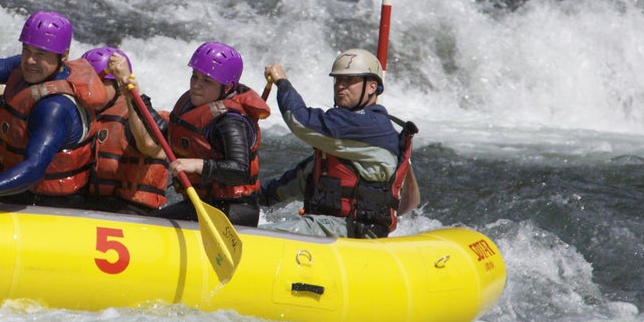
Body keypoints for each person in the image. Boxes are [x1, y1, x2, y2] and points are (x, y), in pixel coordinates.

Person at [0, 10, 107, 209]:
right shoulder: (24, 69)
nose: (30, 60)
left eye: (40, 54)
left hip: (48, 201)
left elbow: (33, 169)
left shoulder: (55, 107)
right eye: (27, 50)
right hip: (20, 186)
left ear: (63, 56)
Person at [259, 48, 417, 239]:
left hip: (357, 231)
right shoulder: (347, 138)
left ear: (372, 87)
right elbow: (302, 178)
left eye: (350, 81)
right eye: (338, 80)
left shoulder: (368, 125)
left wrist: (282, 83)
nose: (341, 86)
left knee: (266, 235)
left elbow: (300, 121)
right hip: (335, 226)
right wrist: (252, 197)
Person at [143, 41, 270, 228]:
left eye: (206, 81)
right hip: (202, 205)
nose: (196, 85)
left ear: (227, 88)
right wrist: (141, 104)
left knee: (152, 226)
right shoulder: (193, 105)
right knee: (151, 223)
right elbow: (168, 134)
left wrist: (198, 165)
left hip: (233, 210)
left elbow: (240, 171)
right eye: (194, 76)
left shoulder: (230, 122)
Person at [79, 46, 170, 215]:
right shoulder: (80, 112)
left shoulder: (134, 115)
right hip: (88, 204)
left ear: (117, 85)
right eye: (86, 82)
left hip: (131, 211)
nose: (90, 88)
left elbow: (149, 145)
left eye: (99, 82)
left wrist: (130, 93)